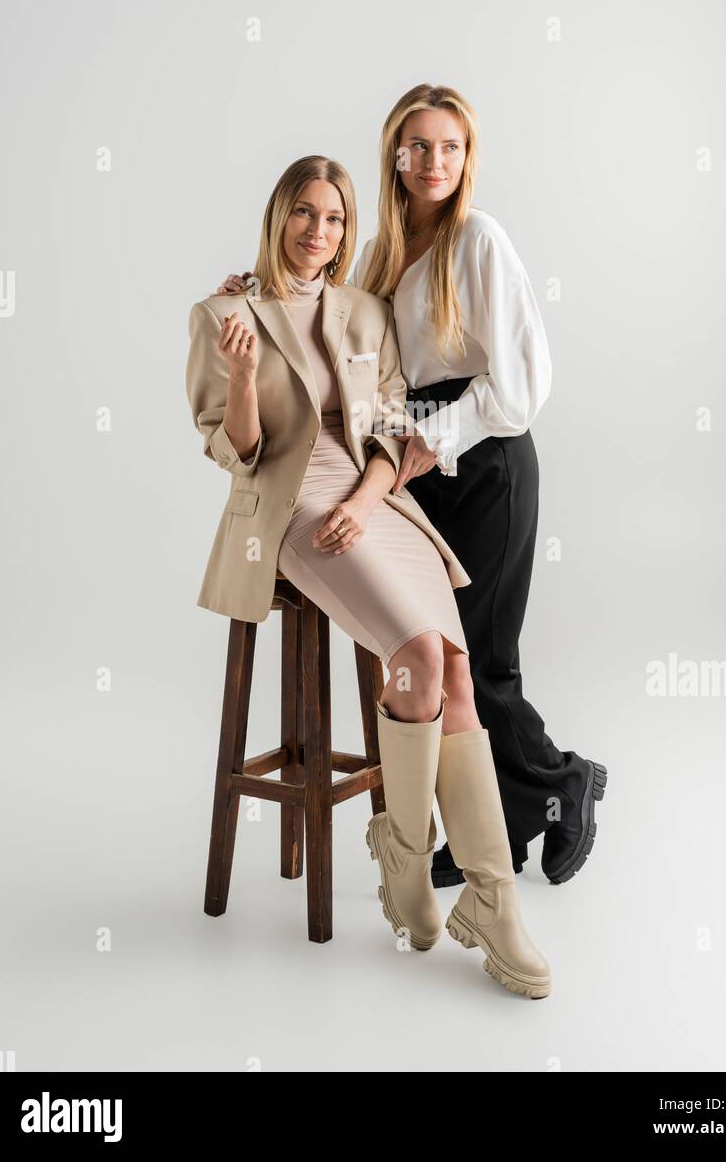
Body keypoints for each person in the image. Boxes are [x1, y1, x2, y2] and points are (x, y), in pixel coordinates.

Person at [213, 87, 608, 889]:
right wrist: (258, 296)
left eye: (450, 147)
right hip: (405, 467)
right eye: (418, 146)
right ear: (394, 154)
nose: (434, 163)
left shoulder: (479, 241)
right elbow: (341, 345)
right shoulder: (382, 256)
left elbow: (522, 387)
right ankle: (491, 824)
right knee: (438, 648)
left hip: (482, 460)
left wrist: (434, 437)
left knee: (483, 659)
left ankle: (562, 784)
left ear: (468, 159)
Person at [187, 153, 551, 997]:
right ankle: (404, 855)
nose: (321, 232)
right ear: (279, 215)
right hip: (288, 508)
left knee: (451, 669)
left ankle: (486, 906)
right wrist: (243, 373)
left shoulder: (363, 311)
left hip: (372, 496)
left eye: (338, 219)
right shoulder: (221, 311)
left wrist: (369, 494)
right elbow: (235, 451)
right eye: (306, 213)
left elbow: (392, 427)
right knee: (423, 656)